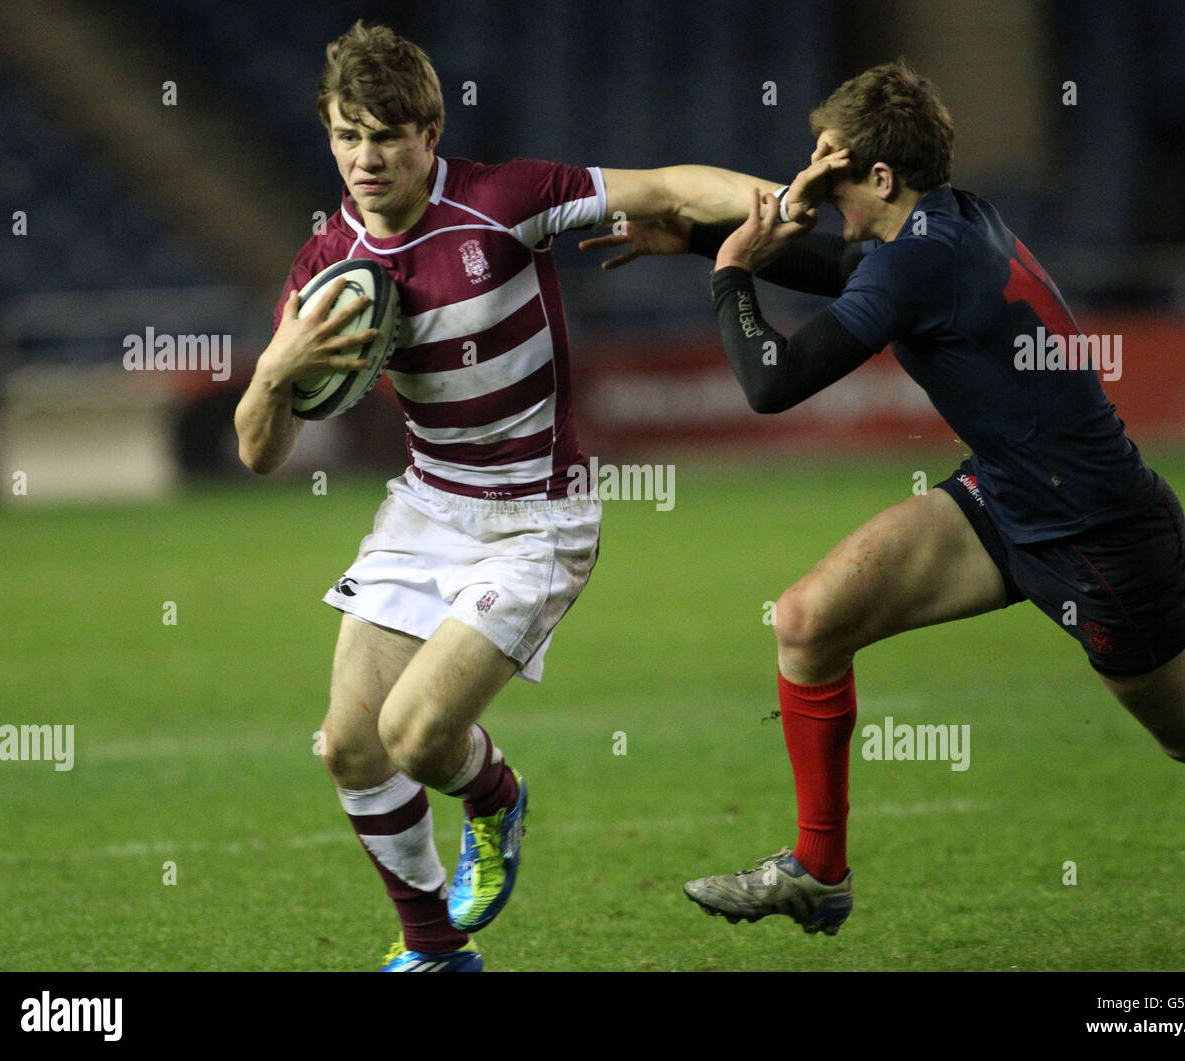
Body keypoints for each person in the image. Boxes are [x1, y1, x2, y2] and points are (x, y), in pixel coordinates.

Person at [582, 59, 1185, 936]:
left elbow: (772, 381)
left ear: (878, 175)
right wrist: (685, 236)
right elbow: (846, 266)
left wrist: (727, 272)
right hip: (1005, 497)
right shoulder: (952, 220)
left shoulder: (927, 256)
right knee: (808, 618)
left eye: (832, 164)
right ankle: (819, 871)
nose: (817, 177)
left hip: (1101, 536)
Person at [233, 20, 781, 971]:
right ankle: (436, 952)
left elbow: (667, 187)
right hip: (426, 508)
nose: (366, 158)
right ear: (328, 135)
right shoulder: (326, 271)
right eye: (347, 135)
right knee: (349, 747)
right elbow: (261, 453)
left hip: (537, 517)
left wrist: (776, 201)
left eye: (388, 136)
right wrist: (273, 371)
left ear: (431, 132)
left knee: (413, 733)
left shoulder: (503, 201)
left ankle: (495, 798)